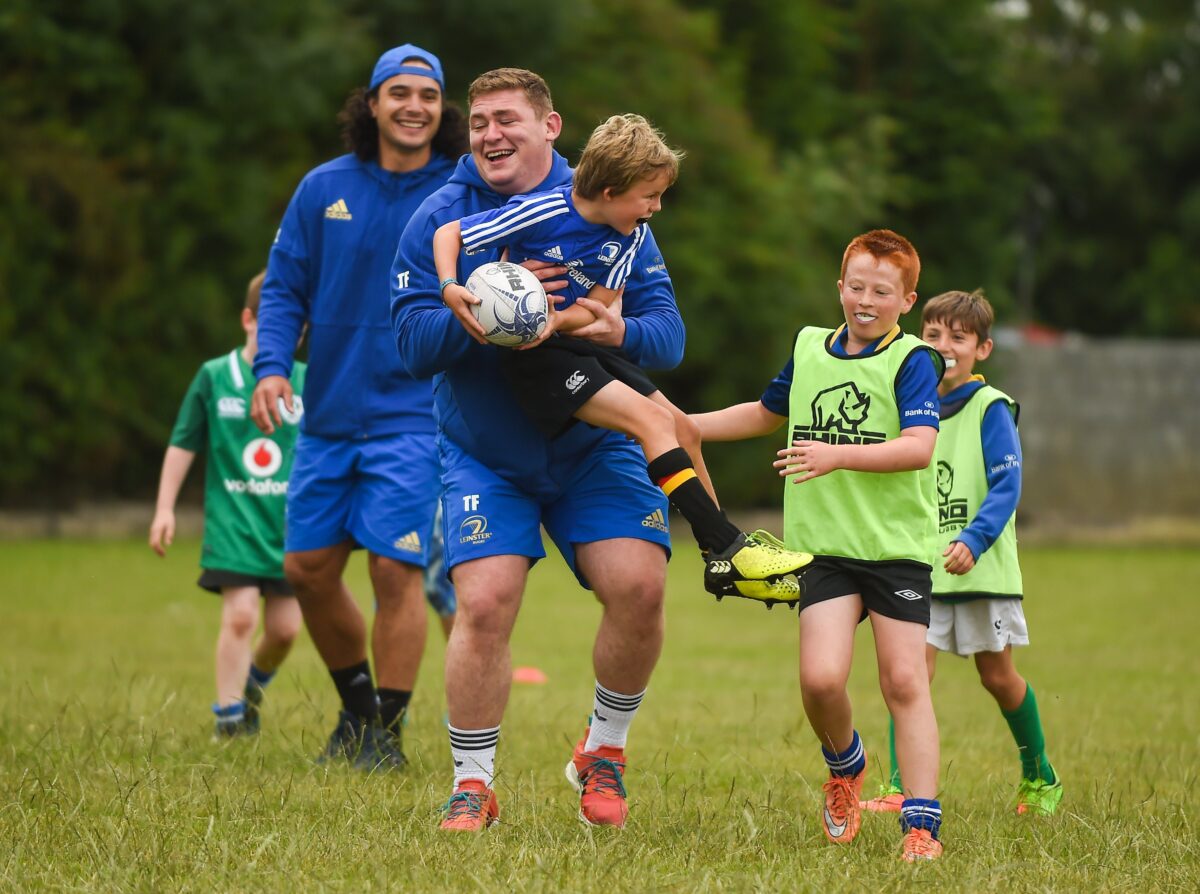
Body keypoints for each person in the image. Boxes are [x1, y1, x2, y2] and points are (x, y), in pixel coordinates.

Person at [392, 68, 683, 831]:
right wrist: (479, 313)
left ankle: (604, 752)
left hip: (593, 444)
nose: (490, 134)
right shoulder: (442, 215)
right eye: (479, 121)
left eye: (507, 119)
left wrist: (612, 327)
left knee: (640, 586)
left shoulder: (608, 202)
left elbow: (668, 335)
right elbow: (412, 345)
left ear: (550, 128)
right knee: (484, 602)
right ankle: (473, 785)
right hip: (486, 452)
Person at [432, 113, 812, 603]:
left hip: (574, 342)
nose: (656, 206)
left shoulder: (631, 235)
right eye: (649, 196)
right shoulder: (540, 211)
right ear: (610, 192)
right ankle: (729, 545)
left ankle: (722, 563)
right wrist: (451, 287)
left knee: (684, 429)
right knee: (653, 423)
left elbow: (603, 305)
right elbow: (449, 234)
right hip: (536, 361)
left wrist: (556, 319)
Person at [691, 230, 947, 862]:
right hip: (823, 550)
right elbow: (764, 412)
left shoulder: (913, 360)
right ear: (839, 287)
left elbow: (919, 448)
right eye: (856, 287)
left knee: (904, 680)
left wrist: (837, 455)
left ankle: (921, 825)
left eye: (881, 292)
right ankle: (846, 766)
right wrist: (682, 425)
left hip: (894, 550)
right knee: (820, 680)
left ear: (906, 301)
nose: (866, 301)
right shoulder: (810, 346)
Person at [250, 44, 466, 770]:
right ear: (371, 104)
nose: (414, 107)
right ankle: (357, 711)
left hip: (415, 415)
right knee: (307, 569)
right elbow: (283, 289)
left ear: (441, 108)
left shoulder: (459, 192)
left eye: (428, 95)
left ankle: (387, 735)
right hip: (329, 415)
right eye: (399, 93)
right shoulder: (323, 188)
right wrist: (271, 368)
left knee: (394, 571)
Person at [860, 289, 1062, 817]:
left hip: (980, 569)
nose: (944, 345)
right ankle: (901, 786)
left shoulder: (990, 408)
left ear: (982, 349)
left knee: (997, 677)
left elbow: (1006, 487)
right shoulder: (909, 404)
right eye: (933, 335)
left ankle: (1040, 776)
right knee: (909, 674)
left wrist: (972, 541)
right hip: (920, 567)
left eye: (958, 337)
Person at [150, 271, 305, 739]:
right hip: (233, 521)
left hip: (288, 528)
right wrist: (164, 508)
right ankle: (229, 720)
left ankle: (249, 691)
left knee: (285, 630)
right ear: (248, 320)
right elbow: (183, 442)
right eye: (273, 324)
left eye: (295, 328)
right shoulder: (215, 376)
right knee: (240, 616)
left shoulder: (305, 381)